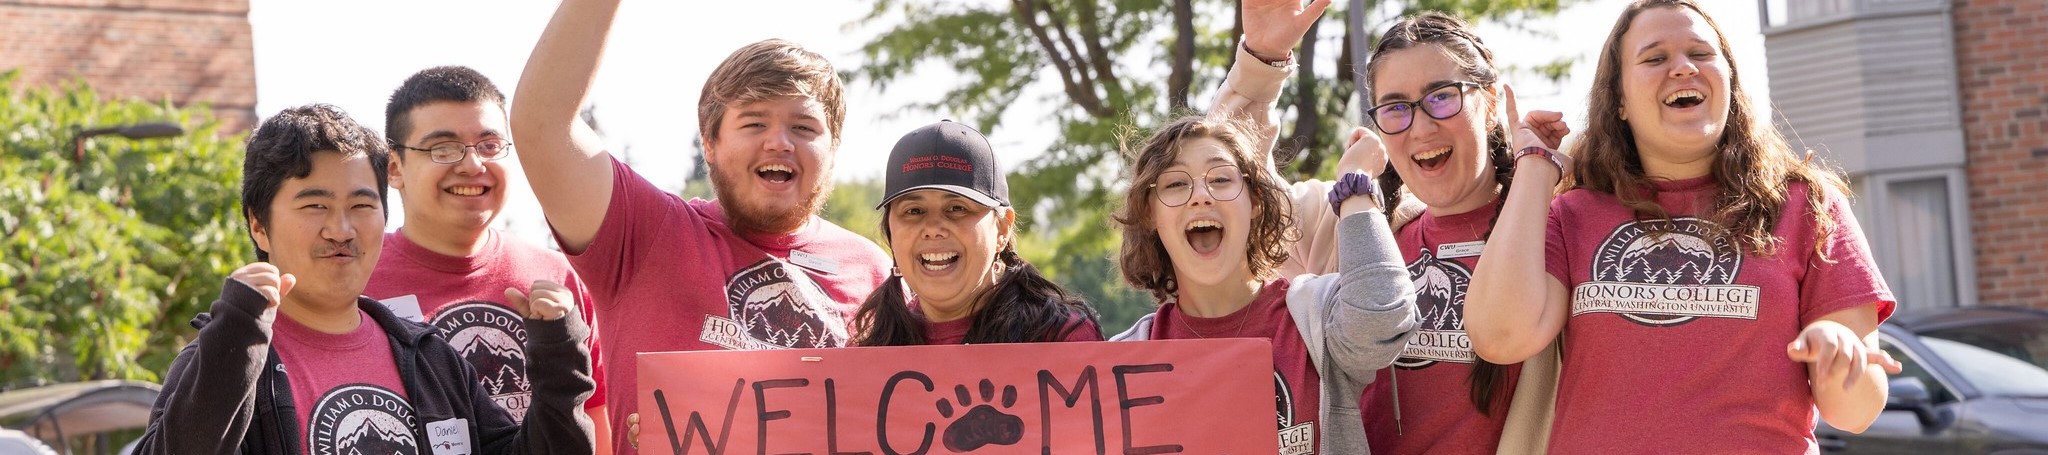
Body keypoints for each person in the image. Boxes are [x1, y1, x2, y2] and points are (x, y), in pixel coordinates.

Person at [1462, 1, 1901, 452]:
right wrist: (1536, 165)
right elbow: (1499, 337)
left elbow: (1856, 412)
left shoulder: (1805, 205)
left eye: (1702, 53)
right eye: (1655, 58)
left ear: (1730, 80)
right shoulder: (1572, 213)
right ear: (1619, 102)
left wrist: (1839, 360)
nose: (1683, 68)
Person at [510, 0, 890, 451]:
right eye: (754, 122)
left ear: (833, 148)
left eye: (805, 127)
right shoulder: (645, 233)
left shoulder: (875, 272)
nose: (779, 141)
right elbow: (543, 126)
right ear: (709, 143)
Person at [136, 104, 595, 454]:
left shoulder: (432, 359)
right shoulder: (218, 358)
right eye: (315, 206)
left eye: (361, 206)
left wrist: (558, 355)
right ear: (259, 225)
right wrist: (236, 335)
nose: (341, 230)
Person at [1108, 115, 1417, 455]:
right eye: (1176, 184)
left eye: (1221, 178)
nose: (1200, 196)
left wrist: (1355, 184)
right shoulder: (1123, 360)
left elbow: (1383, 317)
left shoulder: (1314, 315)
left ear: (1254, 201)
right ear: (1150, 214)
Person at [365, 66, 612, 452]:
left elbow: (596, 422)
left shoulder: (557, 277)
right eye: (442, 148)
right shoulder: (356, 282)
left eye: (489, 145)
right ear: (393, 168)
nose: (472, 165)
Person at [852, 120, 1101, 346]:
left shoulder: (1061, 338)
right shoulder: (868, 350)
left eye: (957, 208)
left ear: (1002, 228)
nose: (933, 229)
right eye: (914, 210)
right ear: (890, 233)